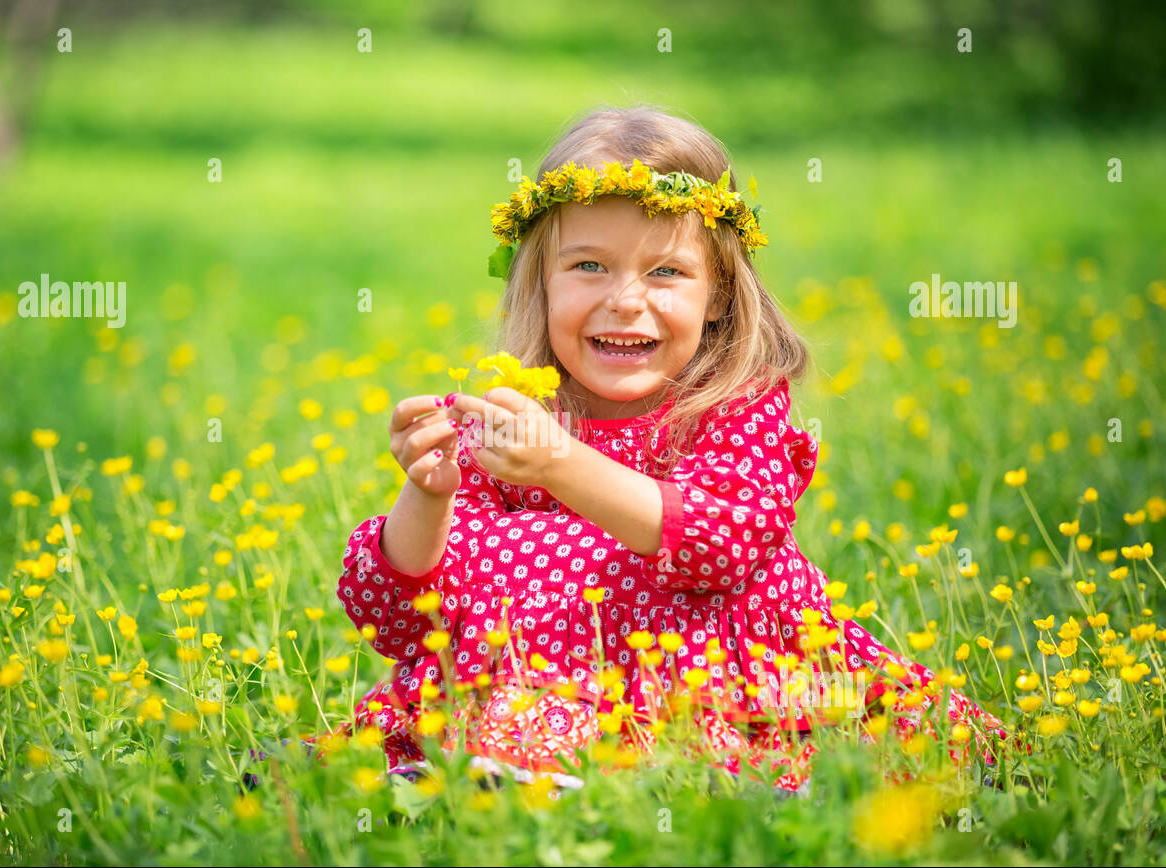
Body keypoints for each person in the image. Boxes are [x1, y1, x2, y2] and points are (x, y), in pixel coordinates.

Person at [332, 105, 1012, 794]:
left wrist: (560, 468)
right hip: (521, 696)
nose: (626, 300)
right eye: (589, 265)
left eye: (666, 273)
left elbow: (720, 541)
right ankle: (481, 775)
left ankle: (600, 782)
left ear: (718, 294)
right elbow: (390, 617)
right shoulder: (508, 421)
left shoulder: (734, 408)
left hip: (705, 692)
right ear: (539, 282)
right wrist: (428, 493)